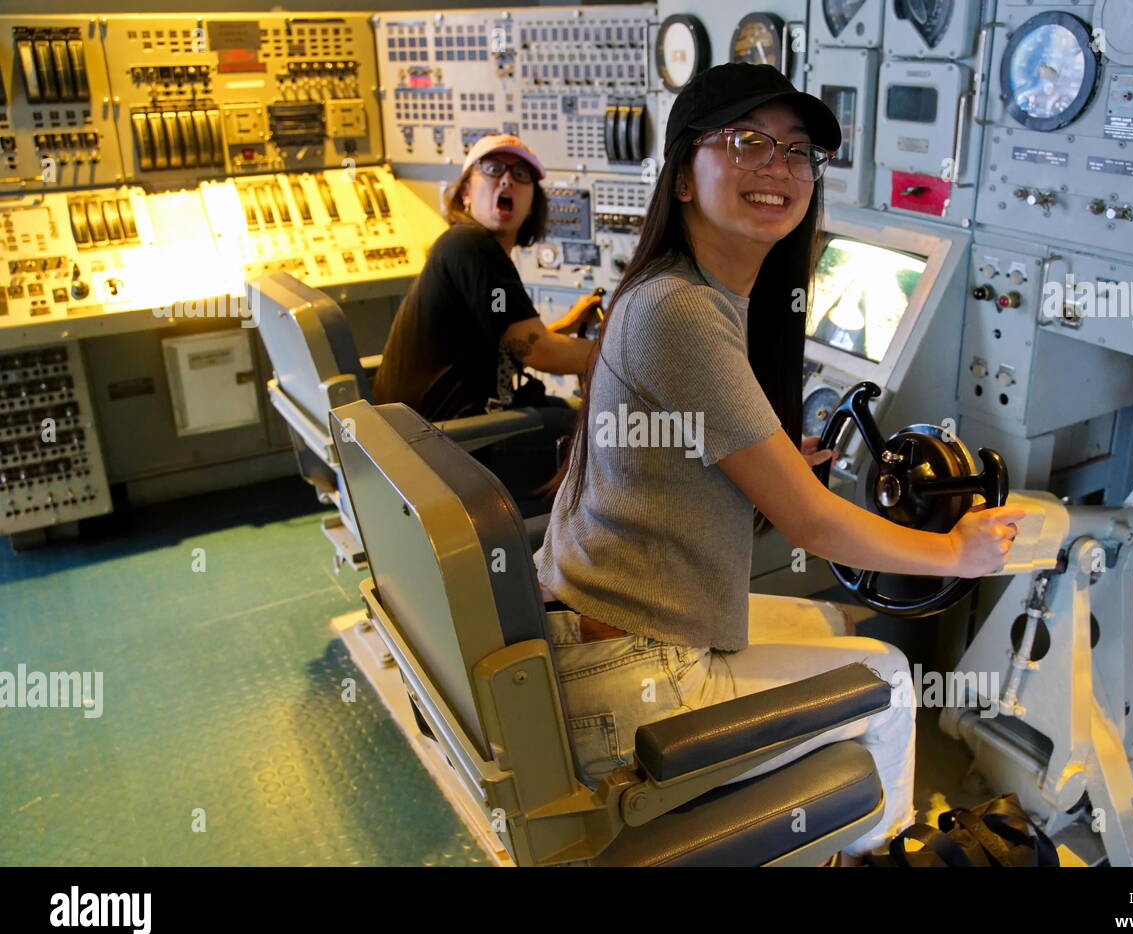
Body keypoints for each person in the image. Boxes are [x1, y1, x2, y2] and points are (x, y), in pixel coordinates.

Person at [535, 64, 1026, 865]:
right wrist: (954, 552)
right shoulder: (682, 310)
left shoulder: (670, 291)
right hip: (631, 677)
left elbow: (674, 453)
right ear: (685, 175)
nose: (779, 167)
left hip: (602, 638)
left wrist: (768, 456)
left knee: (826, 621)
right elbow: (811, 522)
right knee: (890, 680)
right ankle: (872, 857)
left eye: (799, 152)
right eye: (749, 142)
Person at [373, 134, 601, 510]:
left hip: (421, 445)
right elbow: (538, 353)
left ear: (532, 205)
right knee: (606, 435)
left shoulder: (466, 247)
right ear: (465, 193)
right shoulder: (472, 247)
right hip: (449, 449)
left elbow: (512, 339)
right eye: (493, 170)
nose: (508, 180)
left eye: (522, 174)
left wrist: (566, 326)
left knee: (567, 415)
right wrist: (626, 352)